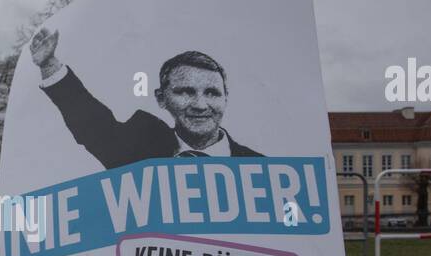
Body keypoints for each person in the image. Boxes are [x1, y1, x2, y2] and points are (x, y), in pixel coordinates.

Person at [29, 26, 263, 170]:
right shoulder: (139, 148)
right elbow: (92, 123)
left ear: (226, 98)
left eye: (212, 93)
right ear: (162, 98)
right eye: (185, 92)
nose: (200, 105)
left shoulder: (262, 168)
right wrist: (50, 65)